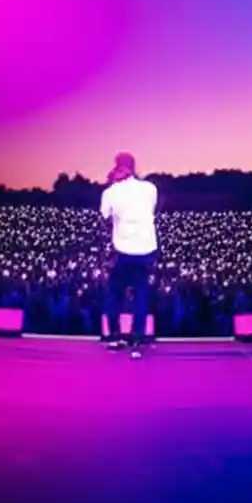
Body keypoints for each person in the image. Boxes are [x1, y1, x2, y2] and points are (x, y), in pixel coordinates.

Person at [100, 152, 158, 359]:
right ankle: (138, 336)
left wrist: (111, 185)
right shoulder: (150, 188)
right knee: (141, 292)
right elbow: (149, 209)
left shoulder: (112, 191)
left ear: (116, 167)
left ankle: (116, 336)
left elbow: (104, 215)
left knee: (114, 293)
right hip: (146, 249)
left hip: (124, 249)